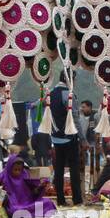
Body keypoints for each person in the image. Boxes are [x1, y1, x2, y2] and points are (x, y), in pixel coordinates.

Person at [48, 77, 84, 206]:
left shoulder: (51, 93)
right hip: (69, 136)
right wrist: (83, 139)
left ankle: (60, 199)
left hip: (55, 137)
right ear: (71, 79)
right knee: (74, 168)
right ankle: (77, 199)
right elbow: (75, 118)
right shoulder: (68, 94)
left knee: (59, 168)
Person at [0, 149, 56, 218]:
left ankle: (28, 213)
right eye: (15, 170)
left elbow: (33, 192)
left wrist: (40, 187)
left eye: (19, 170)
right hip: (15, 206)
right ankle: (31, 213)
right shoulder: (3, 177)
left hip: (29, 203)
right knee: (15, 211)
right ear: (9, 168)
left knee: (48, 202)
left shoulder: (24, 174)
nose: (18, 172)